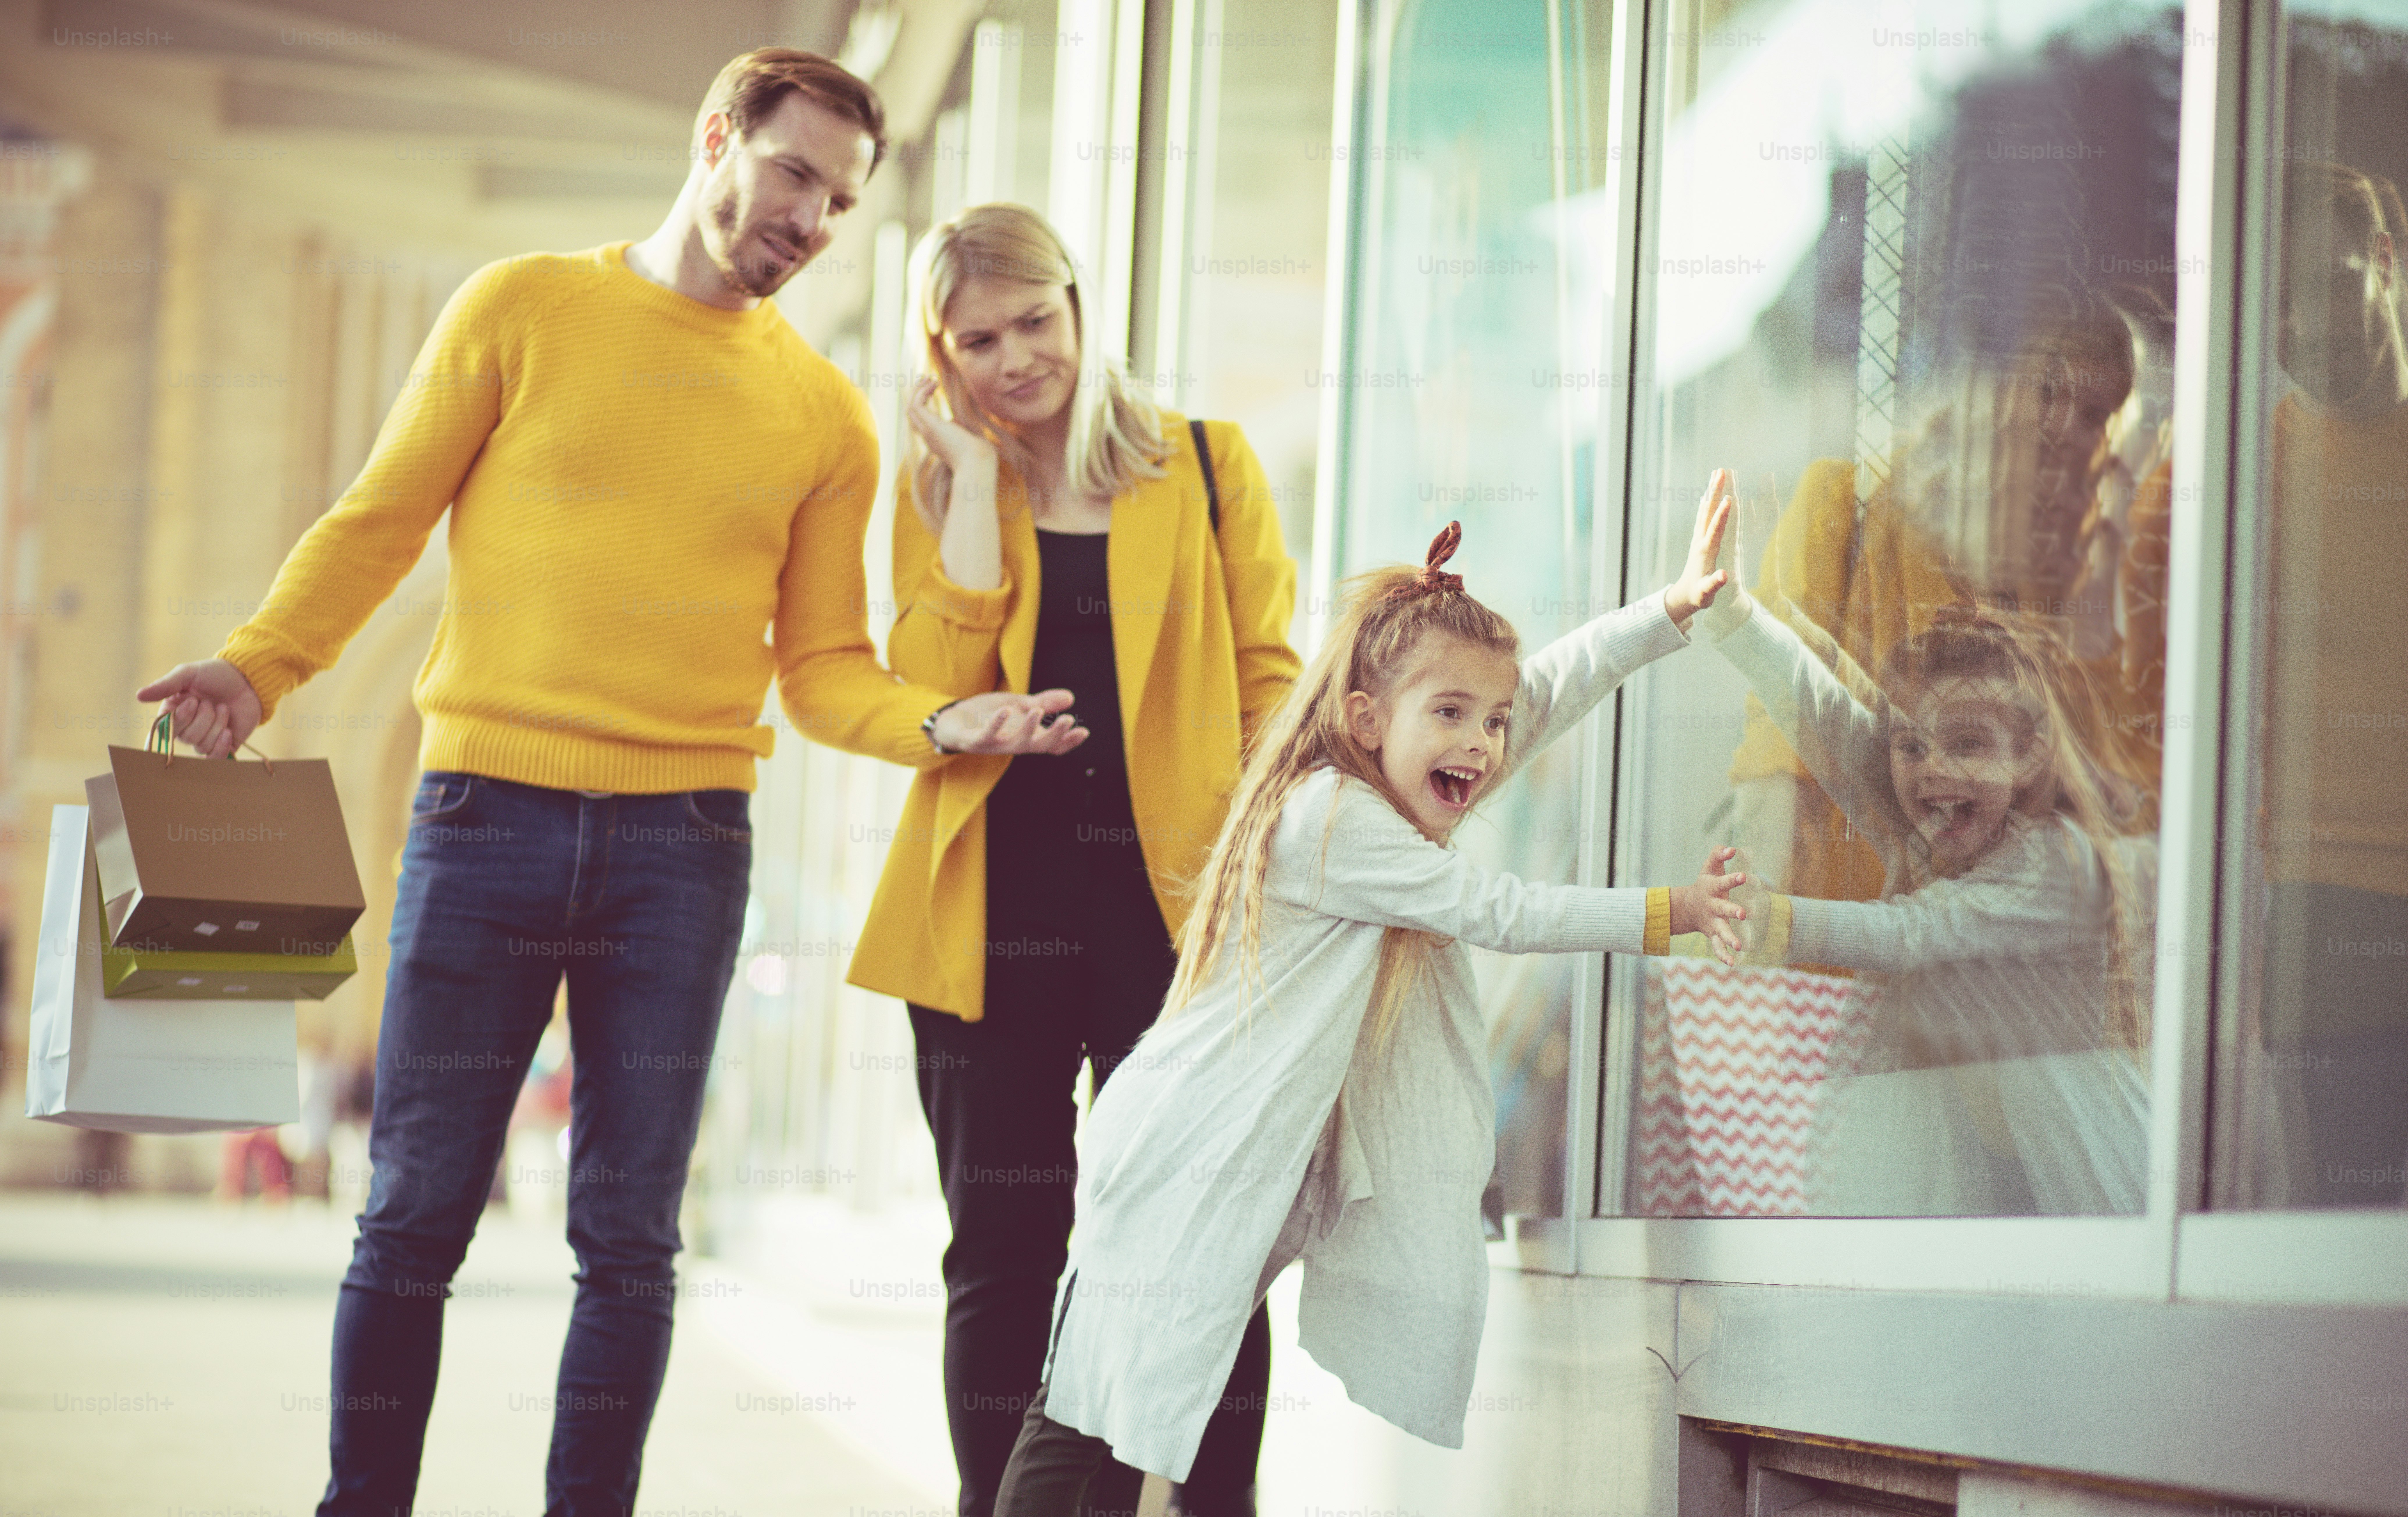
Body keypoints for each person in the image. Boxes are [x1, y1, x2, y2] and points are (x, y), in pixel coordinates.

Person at [135, 49, 1082, 1517]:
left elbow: (824, 665)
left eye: (840, 202)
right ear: (719, 137)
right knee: (410, 1217)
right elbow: (382, 516)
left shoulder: (822, 418)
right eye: (793, 177)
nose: (812, 220)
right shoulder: (521, 308)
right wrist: (261, 666)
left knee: (630, 1239)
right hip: (481, 818)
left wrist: (940, 723)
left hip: (685, 851)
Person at [988, 487, 1753, 1509]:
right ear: (1365, 716)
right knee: (1085, 1402)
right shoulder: (1336, 820)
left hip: (1242, 1160)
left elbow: (1553, 686)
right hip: (1185, 1156)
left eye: (1491, 719)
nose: (1483, 743)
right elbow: (1501, 907)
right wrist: (1675, 909)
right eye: (1451, 713)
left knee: (1149, 1399)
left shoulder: (1388, 790)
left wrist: (1666, 612)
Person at [844, 202, 1303, 1517]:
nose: (1015, 358)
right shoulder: (937, 486)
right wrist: (980, 509)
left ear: (1078, 308)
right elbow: (929, 698)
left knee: (1200, 1250)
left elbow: (1269, 679)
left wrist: (1267, 863)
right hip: (986, 914)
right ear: (941, 354)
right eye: (976, 339)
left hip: (1179, 916)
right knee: (1000, 1250)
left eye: (1034, 320)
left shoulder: (1207, 463)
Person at [1698, 530, 2154, 1215]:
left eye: (1967, 742)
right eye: (1913, 743)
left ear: (2029, 757)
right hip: (1968, 1172)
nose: (1935, 768)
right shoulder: (1937, 832)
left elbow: (1912, 932)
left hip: (2065, 1188)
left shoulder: (2054, 862)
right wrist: (1737, 616)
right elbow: (1832, 720)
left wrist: (1775, 919)